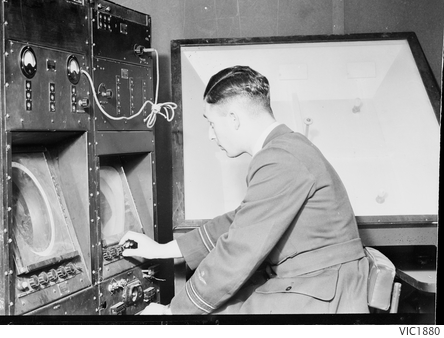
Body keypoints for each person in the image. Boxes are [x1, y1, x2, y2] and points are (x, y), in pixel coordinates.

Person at [119, 65, 369, 315]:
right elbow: (238, 222)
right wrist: (161, 250)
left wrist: (174, 313)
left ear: (233, 119)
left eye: (212, 123)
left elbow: (238, 251)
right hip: (322, 284)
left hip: (323, 294)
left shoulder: (279, 158)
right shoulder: (287, 147)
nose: (210, 135)